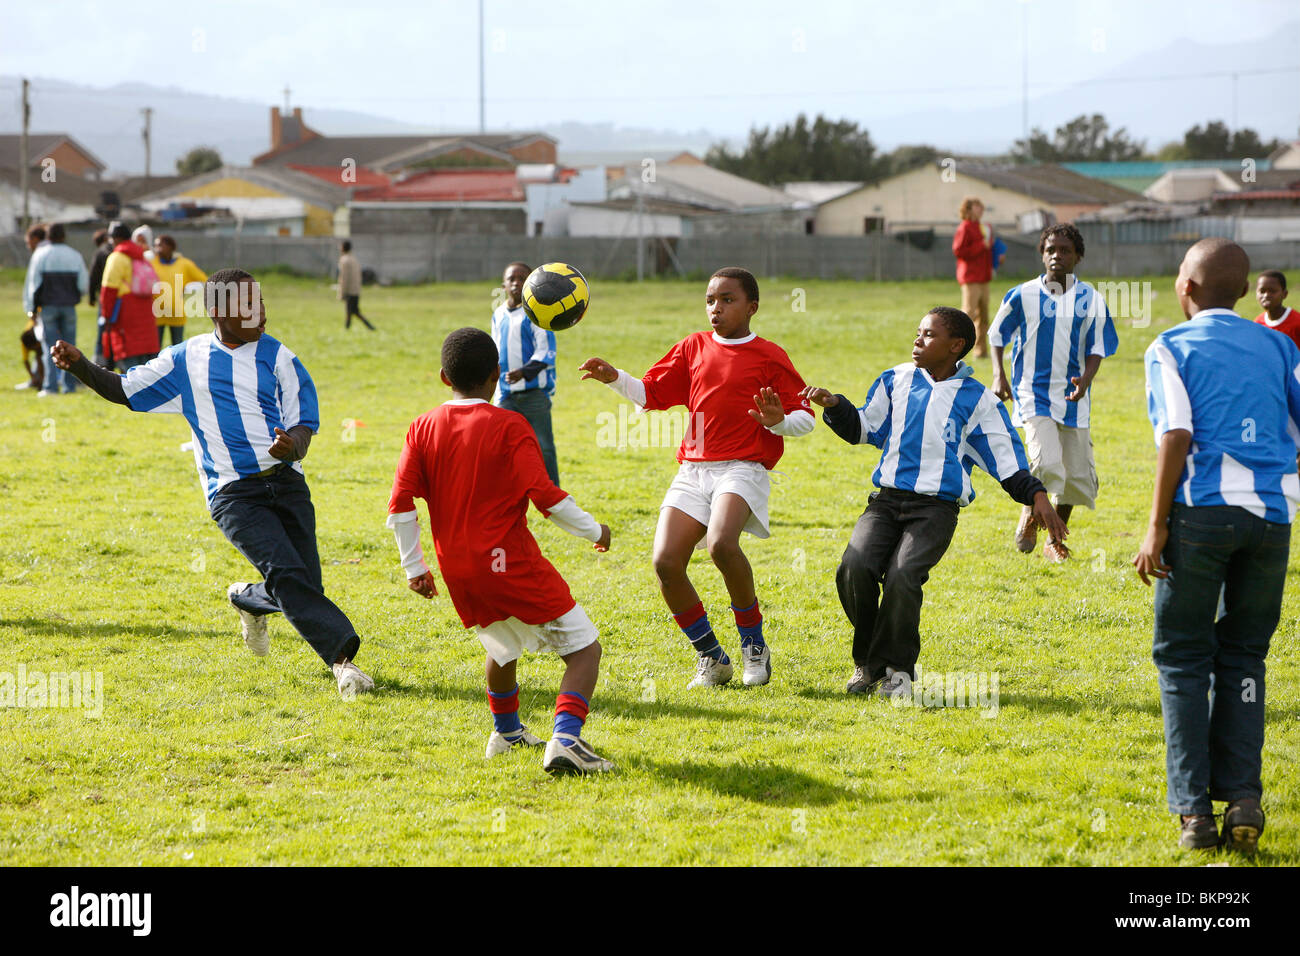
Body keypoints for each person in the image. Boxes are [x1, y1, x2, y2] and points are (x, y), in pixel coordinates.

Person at [50, 268, 374, 700]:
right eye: (250, 305)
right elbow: (124, 389)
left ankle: (247, 598)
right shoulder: (186, 360)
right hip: (233, 493)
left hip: (287, 483)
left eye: (262, 302)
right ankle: (343, 664)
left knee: (304, 586)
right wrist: (79, 366)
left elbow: (304, 424)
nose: (262, 312)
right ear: (219, 311)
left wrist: (292, 447)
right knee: (289, 574)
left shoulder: (280, 358)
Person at [803, 307, 1068, 697]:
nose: (917, 340)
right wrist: (837, 406)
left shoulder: (978, 400)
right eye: (918, 332)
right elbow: (865, 429)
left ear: (955, 346)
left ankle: (897, 672)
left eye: (928, 335)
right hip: (887, 501)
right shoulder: (895, 380)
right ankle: (869, 663)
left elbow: (1007, 462)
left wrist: (1038, 496)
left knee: (902, 576)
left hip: (935, 510)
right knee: (853, 567)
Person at [1133, 238, 1298, 855]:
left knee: (1181, 658)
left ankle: (1195, 812)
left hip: (1200, 516)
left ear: (1189, 289)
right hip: (1271, 521)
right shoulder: (1280, 345)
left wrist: (1155, 525)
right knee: (1245, 659)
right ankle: (1246, 799)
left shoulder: (1170, 346)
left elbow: (1175, 432)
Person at [387, 327, 613, 774]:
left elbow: (400, 505)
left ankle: (506, 733)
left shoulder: (422, 426)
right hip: (508, 562)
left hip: (459, 570)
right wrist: (595, 530)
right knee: (585, 650)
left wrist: (415, 567)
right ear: (496, 376)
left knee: (502, 643)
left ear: (442, 377)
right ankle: (566, 741)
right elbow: (545, 497)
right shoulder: (510, 424)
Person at [580, 267, 813, 689]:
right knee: (666, 562)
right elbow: (651, 394)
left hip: (743, 467)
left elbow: (804, 419)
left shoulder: (770, 356)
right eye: (710, 300)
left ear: (752, 307)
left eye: (727, 300)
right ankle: (712, 656)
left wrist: (779, 422)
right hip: (694, 469)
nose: (716, 308)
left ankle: (754, 646)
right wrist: (614, 378)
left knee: (723, 545)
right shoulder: (693, 347)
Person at [989, 223, 1119, 561]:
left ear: (1078, 256)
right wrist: (999, 375)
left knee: (1075, 477)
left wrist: (1087, 379)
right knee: (1047, 462)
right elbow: (996, 335)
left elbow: (1099, 346)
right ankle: (1031, 516)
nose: (1057, 256)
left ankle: (1053, 541)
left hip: (1074, 398)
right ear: (1042, 255)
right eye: (1050, 250)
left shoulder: (1091, 298)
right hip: (1032, 394)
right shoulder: (1022, 295)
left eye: (1064, 250)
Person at [492, 261, 560, 485]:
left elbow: (546, 352)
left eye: (522, 279)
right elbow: (495, 349)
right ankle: (505, 491)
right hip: (505, 394)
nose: (516, 283)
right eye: (512, 279)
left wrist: (524, 372)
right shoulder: (498, 314)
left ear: (532, 284)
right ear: (503, 285)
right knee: (500, 447)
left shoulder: (537, 314)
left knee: (544, 446)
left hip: (534, 394)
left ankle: (554, 494)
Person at [23, 222, 89, 396]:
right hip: (69, 307)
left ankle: (50, 387)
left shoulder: (41, 255)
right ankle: (69, 386)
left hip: (48, 307)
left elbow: (33, 284)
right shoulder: (75, 255)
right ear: (63, 236)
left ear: (48, 236)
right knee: (70, 348)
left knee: (49, 348)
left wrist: (31, 309)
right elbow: (83, 284)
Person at [99, 223, 159, 371]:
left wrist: (106, 316)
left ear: (116, 238)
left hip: (125, 314)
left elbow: (108, 290)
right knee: (148, 369)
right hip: (146, 312)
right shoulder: (141, 256)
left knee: (131, 371)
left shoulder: (117, 257)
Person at [952, 196, 993, 359]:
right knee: (968, 315)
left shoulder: (983, 227)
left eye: (981, 207)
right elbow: (959, 251)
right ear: (968, 209)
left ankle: (981, 351)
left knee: (984, 316)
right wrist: (980, 246)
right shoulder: (965, 228)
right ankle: (955, 348)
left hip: (984, 277)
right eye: (977, 207)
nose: (980, 210)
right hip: (970, 278)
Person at [150, 234, 207, 347]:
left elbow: (204, 279)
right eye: (156, 246)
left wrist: (190, 288)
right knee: (155, 348)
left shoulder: (184, 264)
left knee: (177, 347)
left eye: (161, 245)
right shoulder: (152, 263)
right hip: (156, 313)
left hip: (176, 312)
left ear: (171, 246)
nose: (157, 249)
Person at [88, 226, 116, 368]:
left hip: (104, 297)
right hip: (121, 296)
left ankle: (100, 362)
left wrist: (91, 297)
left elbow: (93, 276)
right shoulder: (117, 251)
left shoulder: (100, 253)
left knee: (103, 330)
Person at [1253, 270, 1300, 349]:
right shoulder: (1258, 323)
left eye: (1272, 291)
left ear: (1284, 294)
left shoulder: (1297, 322)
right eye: (1262, 291)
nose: (1266, 295)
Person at [337, 240, 373, 330]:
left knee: (352, 311)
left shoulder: (344, 260)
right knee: (352, 311)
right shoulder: (353, 259)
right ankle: (349, 327)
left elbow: (344, 278)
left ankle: (349, 328)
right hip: (356, 289)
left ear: (343, 248)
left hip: (349, 290)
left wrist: (342, 293)